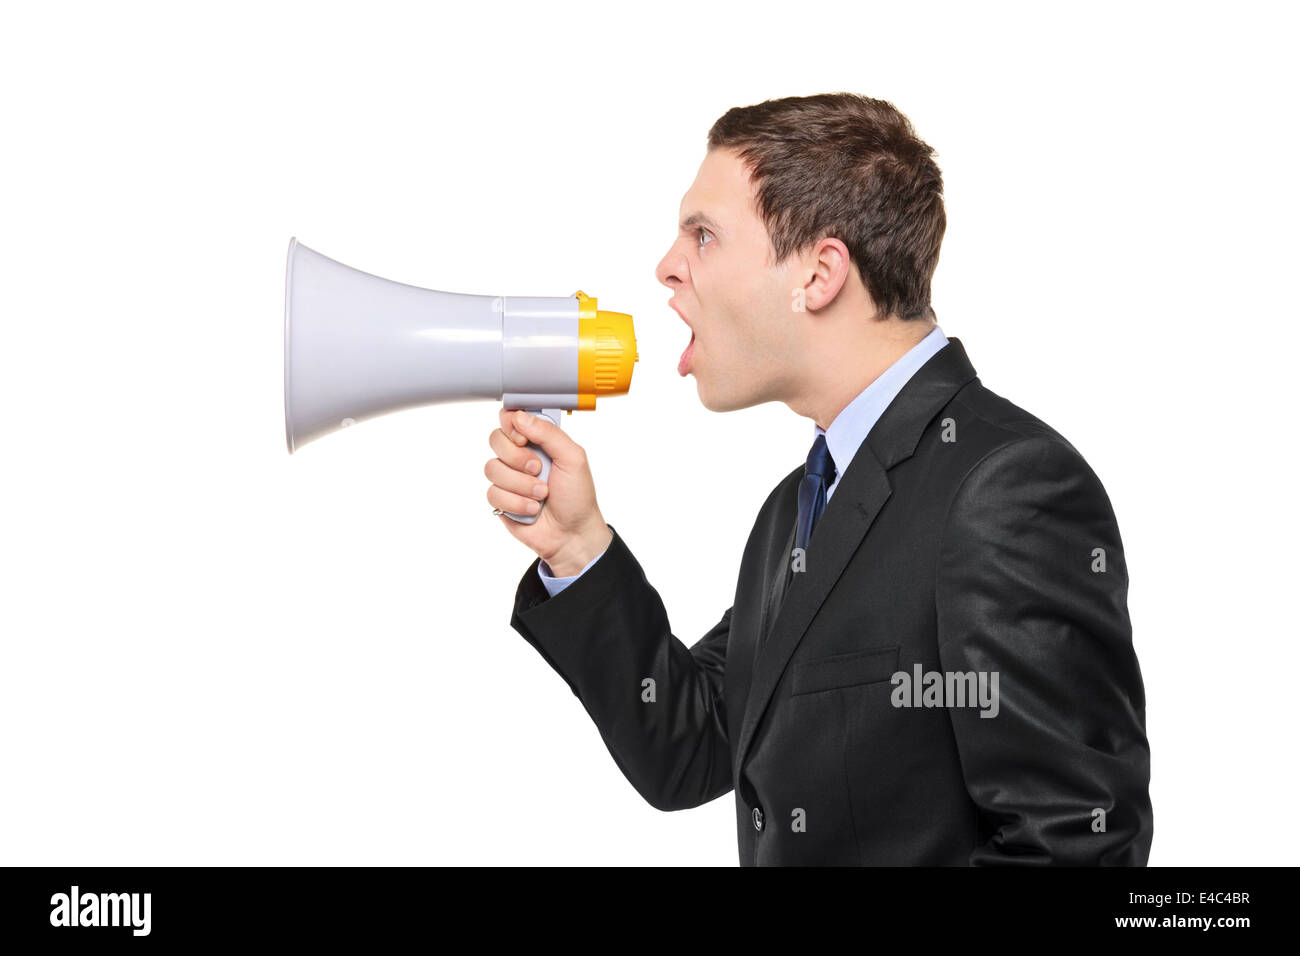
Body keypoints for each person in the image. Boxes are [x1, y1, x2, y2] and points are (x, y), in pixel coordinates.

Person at [484, 93, 1153, 866]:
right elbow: (694, 746)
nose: (666, 266)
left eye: (703, 235)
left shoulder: (1004, 490)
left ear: (820, 275)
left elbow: (1078, 844)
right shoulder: (797, 510)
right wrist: (577, 548)